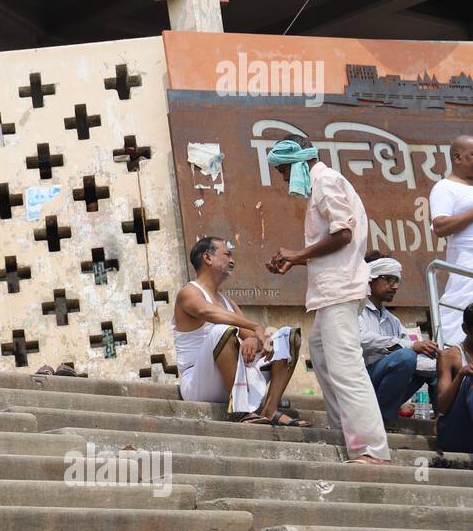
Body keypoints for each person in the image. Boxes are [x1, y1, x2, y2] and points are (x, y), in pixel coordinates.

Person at [265, 135, 390, 464]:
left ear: (297, 163)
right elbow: (335, 246)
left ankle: (371, 450)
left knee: (347, 367)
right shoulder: (321, 184)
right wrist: (295, 260)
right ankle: (343, 431)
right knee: (321, 354)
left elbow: (343, 234)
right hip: (330, 291)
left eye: (282, 171)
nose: (282, 179)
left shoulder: (326, 180)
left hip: (339, 290)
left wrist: (297, 252)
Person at [173, 236, 307, 426]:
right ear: (208, 258)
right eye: (227, 255)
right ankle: (241, 410)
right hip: (198, 384)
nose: (232, 261)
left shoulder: (228, 301)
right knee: (222, 330)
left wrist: (252, 339)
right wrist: (253, 327)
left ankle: (270, 409)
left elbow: (252, 334)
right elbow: (207, 312)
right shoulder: (189, 292)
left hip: (234, 380)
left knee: (287, 337)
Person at [358, 251, 440, 422]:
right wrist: (411, 346)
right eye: (389, 279)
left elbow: (415, 357)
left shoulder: (392, 320)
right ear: (370, 278)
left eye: (397, 281)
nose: (395, 286)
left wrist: (444, 364)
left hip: (382, 385)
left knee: (436, 368)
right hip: (361, 384)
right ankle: (383, 419)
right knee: (406, 356)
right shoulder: (355, 310)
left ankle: (443, 422)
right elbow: (363, 340)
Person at [430, 135, 473, 347]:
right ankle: (452, 359)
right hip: (467, 259)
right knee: (462, 310)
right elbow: (440, 226)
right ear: (457, 158)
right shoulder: (445, 187)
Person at [434, 303, 473, 454]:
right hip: (454, 432)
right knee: (471, 379)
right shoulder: (449, 356)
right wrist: (461, 374)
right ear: (466, 329)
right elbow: (442, 406)